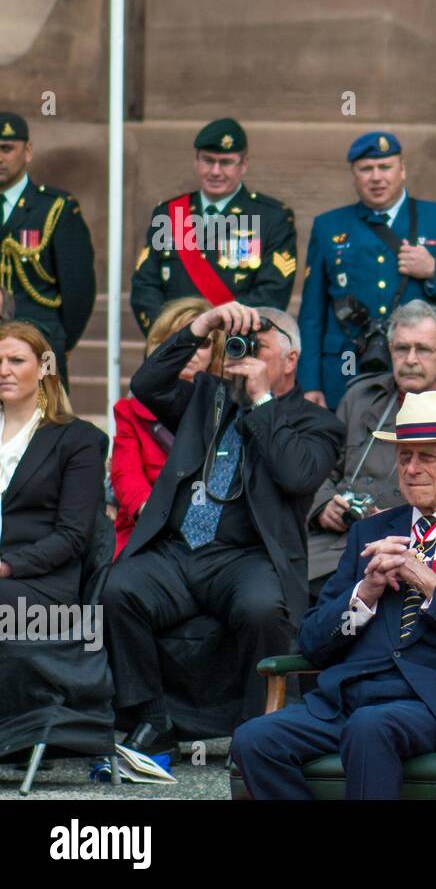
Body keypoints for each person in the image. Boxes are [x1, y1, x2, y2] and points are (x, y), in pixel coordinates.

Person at [229, 390, 436, 800]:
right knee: (253, 739)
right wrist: (365, 594)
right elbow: (312, 640)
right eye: (404, 456)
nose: (411, 469)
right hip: (348, 697)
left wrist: (428, 582)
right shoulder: (370, 532)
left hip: (433, 702)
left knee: (371, 727)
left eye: (427, 457)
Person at [102, 302, 345, 755]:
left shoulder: (319, 423)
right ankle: (154, 718)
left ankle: (257, 731)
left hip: (246, 556)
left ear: (290, 361)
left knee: (263, 610)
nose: (247, 354)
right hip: (179, 550)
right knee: (119, 589)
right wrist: (201, 327)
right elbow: (145, 384)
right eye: (243, 344)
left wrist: (262, 401)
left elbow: (296, 475)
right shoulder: (207, 395)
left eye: (261, 347)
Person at [307, 300, 436, 588]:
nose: (411, 359)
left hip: (418, 552)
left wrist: (405, 519)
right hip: (335, 543)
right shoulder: (360, 398)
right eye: (402, 348)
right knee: (276, 588)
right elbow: (321, 469)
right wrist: (324, 505)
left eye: (423, 349)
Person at [298, 131, 436, 410]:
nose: (376, 177)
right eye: (366, 169)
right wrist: (310, 384)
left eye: (385, 167)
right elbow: (312, 314)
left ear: (402, 170)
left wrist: (435, 270)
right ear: (354, 175)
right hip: (345, 367)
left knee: (419, 447)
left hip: (418, 366)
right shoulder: (329, 226)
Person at [131, 118, 297, 334]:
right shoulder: (170, 214)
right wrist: (172, 335)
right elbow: (145, 287)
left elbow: (272, 293)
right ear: (196, 161)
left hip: (234, 348)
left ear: (244, 164)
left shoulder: (272, 217)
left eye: (226, 162)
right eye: (207, 160)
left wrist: (214, 336)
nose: (215, 171)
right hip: (175, 347)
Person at [0, 321, 105, 613]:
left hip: (42, 584)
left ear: (44, 368)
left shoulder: (77, 439)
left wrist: (7, 566)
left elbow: (71, 537)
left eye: (16, 360)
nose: (3, 370)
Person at [110, 297, 223, 559]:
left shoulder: (225, 407)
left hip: (210, 532)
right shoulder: (129, 410)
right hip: (147, 526)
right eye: (181, 340)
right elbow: (125, 475)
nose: (193, 351)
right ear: (160, 346)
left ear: (215, 354)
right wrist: (155, 516)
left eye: (203, 343)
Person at [0, 113, 96, 385]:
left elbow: (78, 291)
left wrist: (59, 341)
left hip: (39, 345)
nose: (0, 157)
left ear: (27, 151)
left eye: (6, 149)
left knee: (44, 426)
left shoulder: (56, 208)